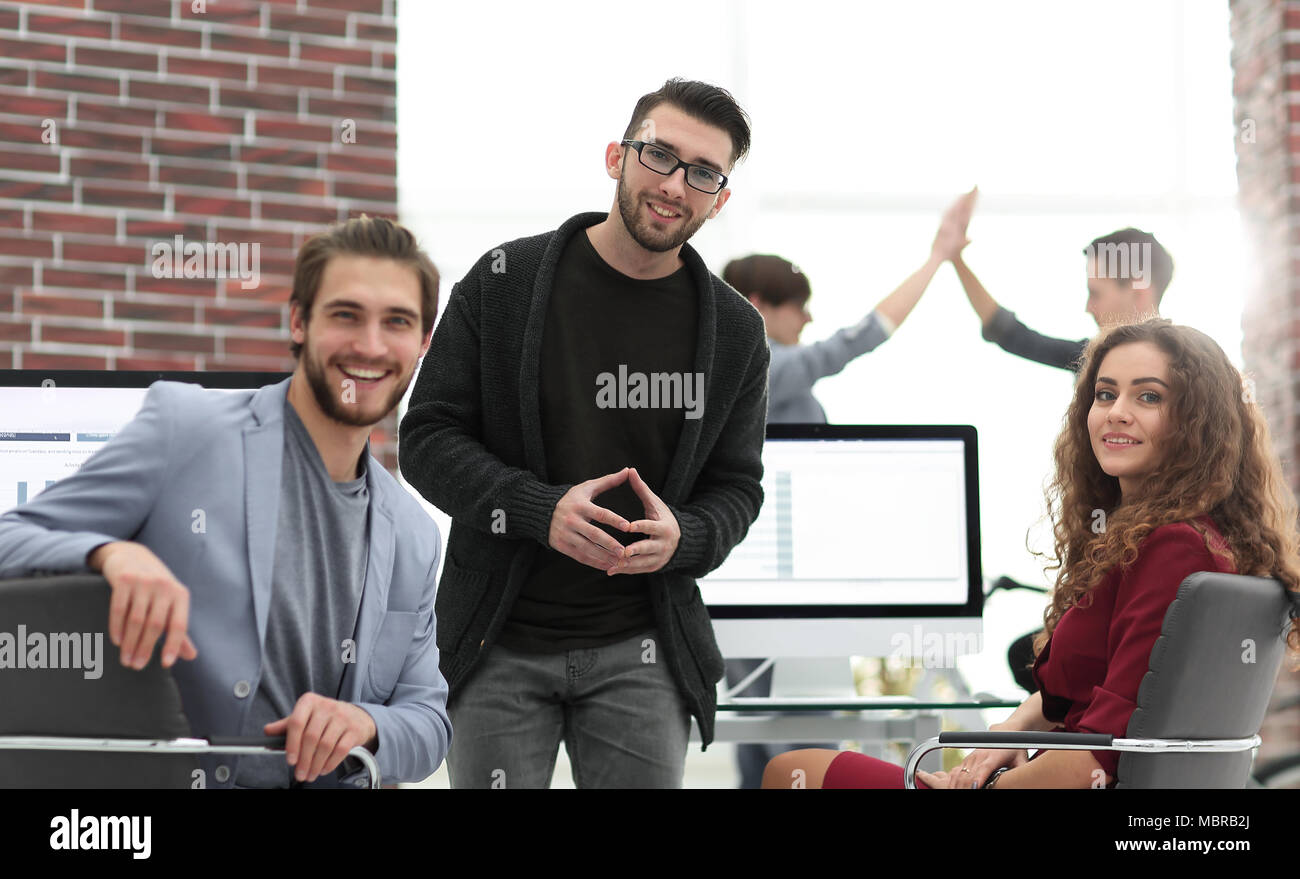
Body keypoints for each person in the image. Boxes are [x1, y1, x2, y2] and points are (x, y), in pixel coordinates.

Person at [398, 79, 767, 789]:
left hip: (645, 651)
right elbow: (426, 439)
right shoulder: (504, 283)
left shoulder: (736, 333)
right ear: (616, 158)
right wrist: (540, 509)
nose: (674, 184)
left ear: (719, 199)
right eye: (659, 155)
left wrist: (684, 538)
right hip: (497, 642)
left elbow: (737, 489)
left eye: (703, 173)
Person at [0, 216, 453, 789]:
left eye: (397, 322)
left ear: (422, 343)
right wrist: (108, 553)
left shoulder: (413, 532)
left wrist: (367, 721)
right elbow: (9, 537)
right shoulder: (184, 428)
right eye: (345, 315)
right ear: (298, 322)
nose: (370, 344)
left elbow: (430, 721)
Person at [762, 318, 1300, 788]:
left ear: (1196, 424)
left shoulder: (1169, 548)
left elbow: (1101, 751)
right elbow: (1100, 698)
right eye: (1106, 394)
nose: (1116, 413)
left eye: (1149, 397)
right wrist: (1010, 732)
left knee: (792, 772)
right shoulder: (1193, 539)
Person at [718, 196, 974, 788]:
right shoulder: (767, 369)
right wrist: (936, 260)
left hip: (764, 588)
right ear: (757, 308)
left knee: (765, 756)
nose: (806, 321)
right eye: (796, 308)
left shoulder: (729, 381)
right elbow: (860, 338)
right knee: (802, 754)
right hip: (784, 590)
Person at [953, 189, 1174, 372]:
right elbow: (1011, 335)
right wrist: (955, 258)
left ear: (1139, 293)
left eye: (1095, 293)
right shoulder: (1094, 359)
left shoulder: (1187, 374)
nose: (1088, 308)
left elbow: (1012, 335)